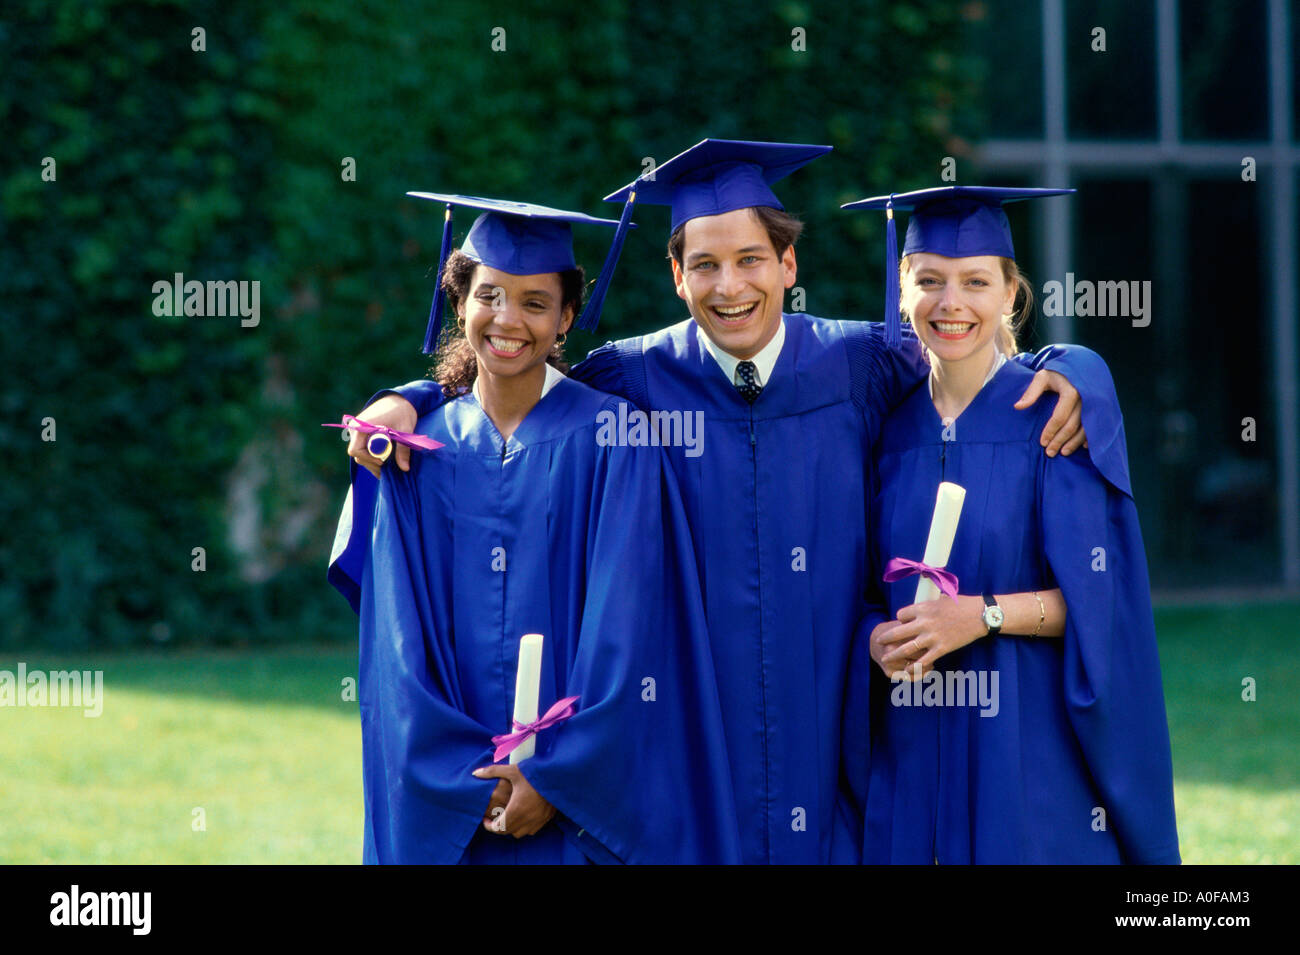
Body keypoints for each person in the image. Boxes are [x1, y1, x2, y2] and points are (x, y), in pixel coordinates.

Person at [344, 141, 1110, 864]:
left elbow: (963, 348)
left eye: (751, 260)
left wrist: (1074, 366)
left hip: (829, 745)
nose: (730, 285)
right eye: (705, 264)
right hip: (689, 747)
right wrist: (406, 399)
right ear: (677, 276)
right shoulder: (633, 380)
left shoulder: (857, 364)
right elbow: (512, 379)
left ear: (788, 264)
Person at [330, 194, 739, 864]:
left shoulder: (619, 442)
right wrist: (465, 780)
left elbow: (633, 633)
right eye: (490, 295)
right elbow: (394, 648)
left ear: (566, 317)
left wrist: (556, 775)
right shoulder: (414, 452)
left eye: (535, 302)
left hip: (576, 811)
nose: (509, 319)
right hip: (456, 803)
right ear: (460, 302)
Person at [840, 185, 1181, 863]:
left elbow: (1099, 598)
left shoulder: (1053, 418)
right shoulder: (884, 431)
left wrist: (983, 614)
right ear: (902, 291)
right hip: (911, 757)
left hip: (1025, 758)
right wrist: (876, 637)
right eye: (929, 281)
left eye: (975, 281)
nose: (951, 303)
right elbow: (860, 592)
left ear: (1010, 294)